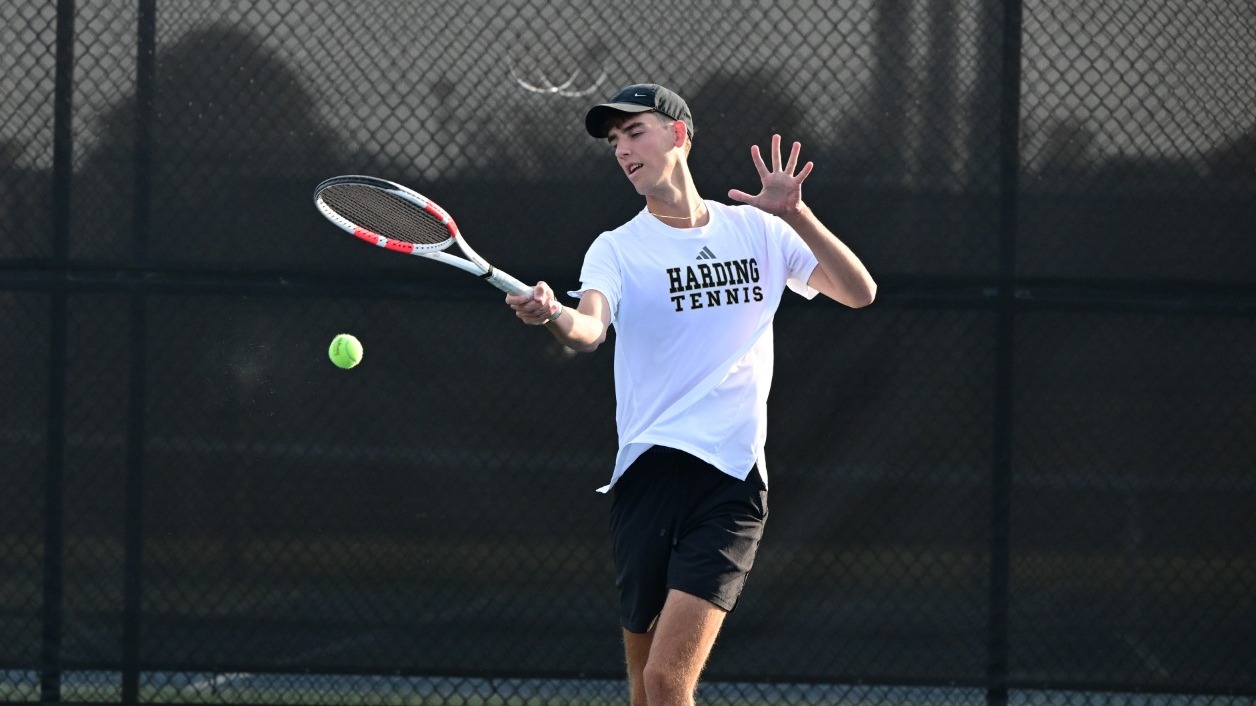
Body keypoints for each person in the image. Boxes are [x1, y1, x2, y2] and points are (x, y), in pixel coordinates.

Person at [505, 84, 876, 706]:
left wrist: (796, 217)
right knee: (643, 688)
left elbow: (858, 292)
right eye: (614, 141)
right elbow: (590, 329)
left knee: (668, 681)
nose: (623, 149)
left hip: (728, 481)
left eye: (636, 131)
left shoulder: (758, 231)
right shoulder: (616, 249)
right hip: (646, 476)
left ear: (679, 135)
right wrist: (553, 315)